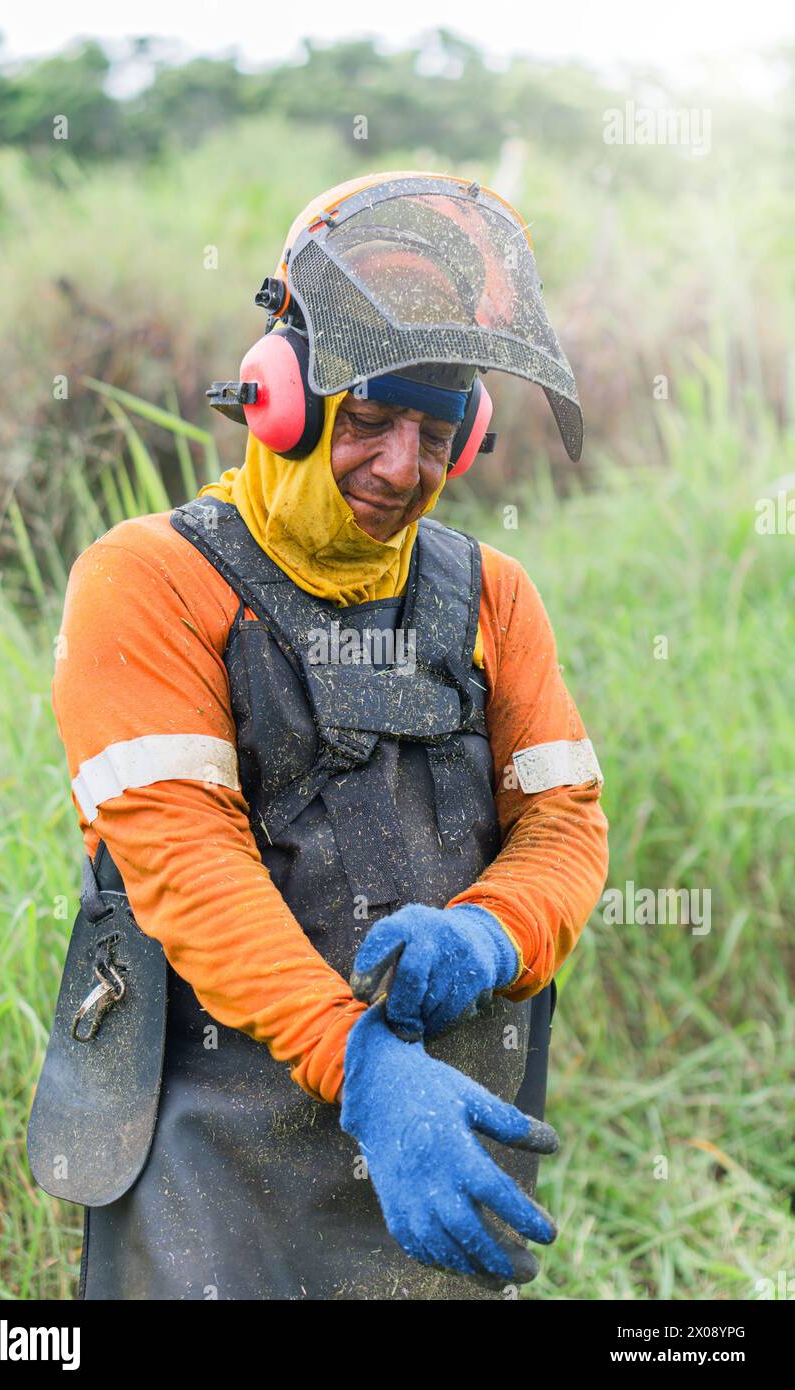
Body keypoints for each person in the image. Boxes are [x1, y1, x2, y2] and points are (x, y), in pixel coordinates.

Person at [30, 170, 609, 1300]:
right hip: (207, 1158)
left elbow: (563, 824)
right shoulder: (149, 582)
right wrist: (359, 1064)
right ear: (278, 397)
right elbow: (187, 865)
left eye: (436, 431)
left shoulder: (494, 596)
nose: (404, 468)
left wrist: (487, 935)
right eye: (371, 419)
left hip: (430, 1138)